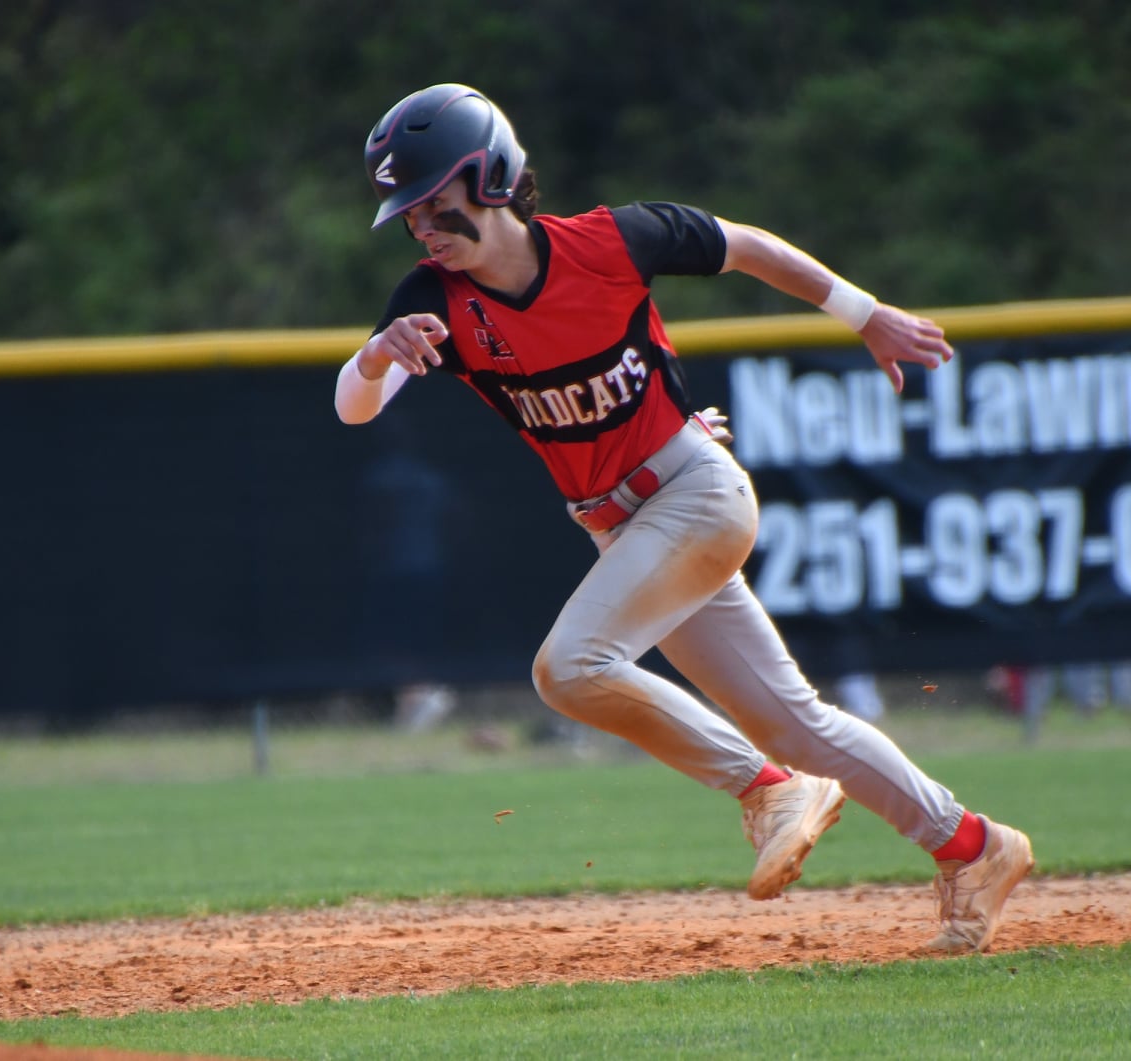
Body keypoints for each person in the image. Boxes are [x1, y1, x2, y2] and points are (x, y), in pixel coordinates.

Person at [333, 83, 1033, 953]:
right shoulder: (433, 300)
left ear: (493, 177)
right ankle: (974, 846)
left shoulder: (611, 241)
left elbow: (747, 248)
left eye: (434, 201)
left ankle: (766, 788)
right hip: (623, 528)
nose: (422, 225)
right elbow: (353, 407)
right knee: (794, 720)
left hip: (693, 493)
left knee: (570, 667)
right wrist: (375, 355)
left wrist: (865, 315)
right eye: (407, 212)